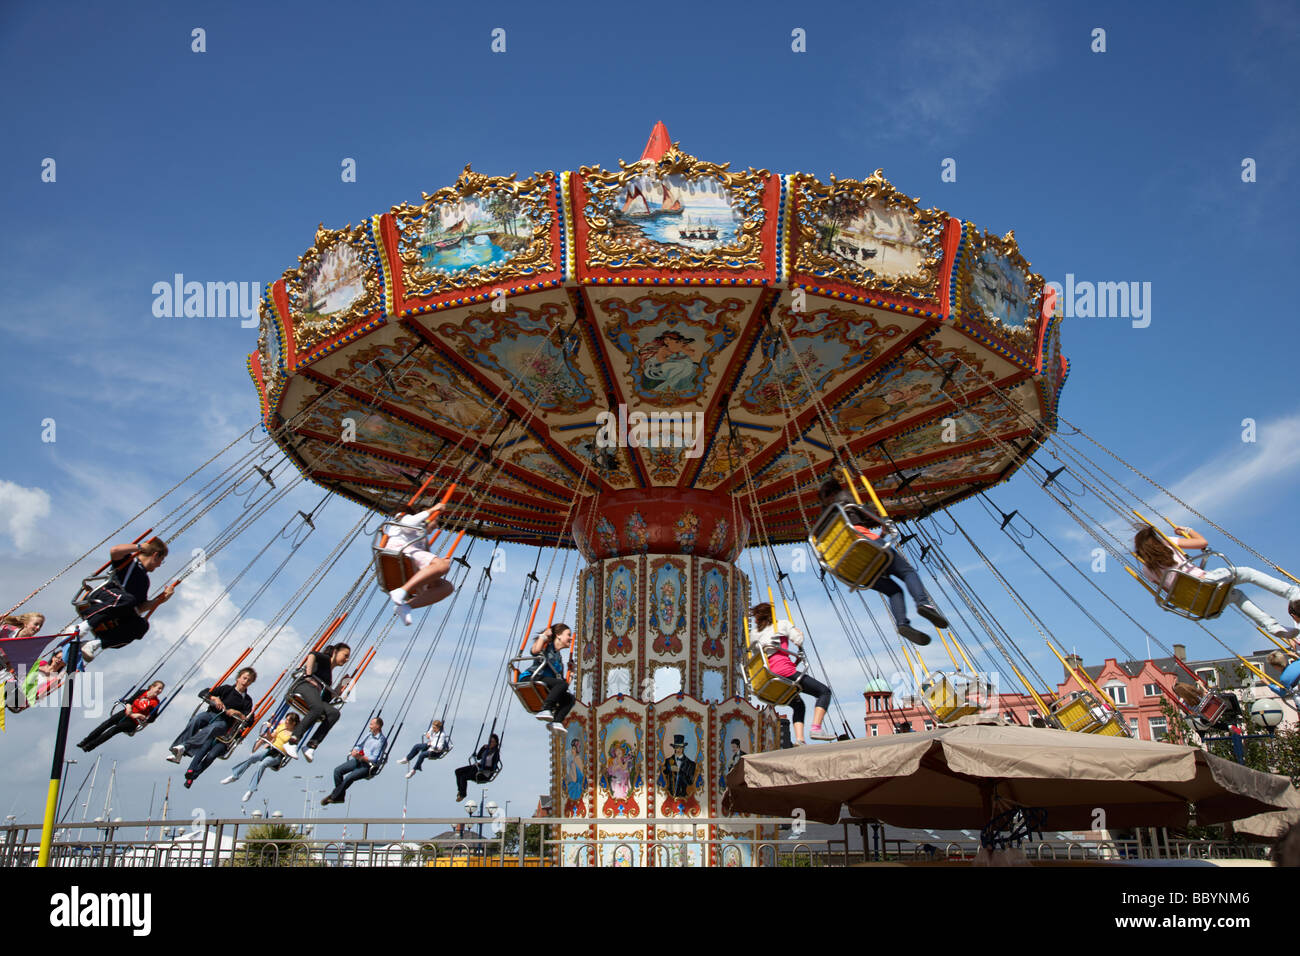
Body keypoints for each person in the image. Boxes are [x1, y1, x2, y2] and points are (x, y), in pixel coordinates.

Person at [818, 477, 948, 645]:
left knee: (893, 591)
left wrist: (882, 535)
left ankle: (902, 623)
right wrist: (884, 524)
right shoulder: (845, 505)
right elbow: (868, 514)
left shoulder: (823, 527)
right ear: (837, 492)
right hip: (865, 544)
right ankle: (923, 604)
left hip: (850, 566)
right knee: (907, 572)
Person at [1134, 525, 1300, 640]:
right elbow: (1202, 543)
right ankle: (1293, 593)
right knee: (1248, 573)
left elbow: (1167, 589)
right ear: (1155, 539)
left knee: (1236, 595)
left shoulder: (1146, 570)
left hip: (1198, 604)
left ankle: (1271, 625)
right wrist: (1186, 530)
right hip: (1208, 583)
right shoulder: (1168, 543)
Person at [78, 538, 175, 661]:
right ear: (155, 555)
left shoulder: (145, 581)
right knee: (127, 599)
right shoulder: (130, 562)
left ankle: (93, 644)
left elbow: (139, 608)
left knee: (141, 625)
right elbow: (115, 550)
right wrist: (139, 547)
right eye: (161, 560)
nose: (160, 564)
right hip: (103, 596)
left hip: (117, 609)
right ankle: (83, 627)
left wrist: (160, 600)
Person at [751, 602, 835, 743]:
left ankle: (800, 740)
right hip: (784, 671)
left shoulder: (753, 634)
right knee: (824, 692)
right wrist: (799, 633)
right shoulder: (782, 625)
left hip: (767, 676)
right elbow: (798, 640)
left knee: (798, 705)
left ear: (757, 618)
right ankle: (816, 728)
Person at [166, 667, 256, 788]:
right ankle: (178, 751)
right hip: (211, 715)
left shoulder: (247, 700)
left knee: (213, 731)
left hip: (224, 723)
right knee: (196, 719)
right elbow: (204, 693)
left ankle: (185, 748)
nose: (245, 682)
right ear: (238, 678)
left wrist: (237, 713)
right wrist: (215, 698)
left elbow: (249, 719)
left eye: (249, 680)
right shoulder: (226, 689)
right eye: (244, 678)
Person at [383, 503, 454, 625]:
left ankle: (406, 607)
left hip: (411, 559)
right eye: (435, 520)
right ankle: (403, 590)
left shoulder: (421, 538)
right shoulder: (404, 518)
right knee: (443, 566)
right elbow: (409, 523)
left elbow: (429, 562)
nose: (436, 525)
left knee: (447, 587)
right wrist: (433, 509)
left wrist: (441, 563)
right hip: (400, 551)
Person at [282, 643, 351, 761]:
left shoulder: (329, 676)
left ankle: (311, 746)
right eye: (345, 655)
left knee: (334, 713)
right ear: (335, 652)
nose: (347, 659)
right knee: (317, 707)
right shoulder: (325, 659)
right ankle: (292, 741)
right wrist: (308, 675)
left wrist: (341, 686)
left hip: (315, 696)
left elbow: (327, 699)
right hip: (304, 686)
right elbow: (312, 655)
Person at [221, 713, 300, 802]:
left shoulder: (295, 734)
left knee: (262, 764)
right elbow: (271, 738)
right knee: (252, 757)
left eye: (288, 720)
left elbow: (292, 747)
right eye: (286, 719)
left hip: (278, 755)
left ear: (293, 723)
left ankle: (250, 790)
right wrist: (269, 729)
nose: (286, 721)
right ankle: (235, 776)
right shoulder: (281, 727)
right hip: (270, 749)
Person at [77, 681, 165, 751]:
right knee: (106, 724)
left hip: (133, 722)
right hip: (126, 713)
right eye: (159, 688)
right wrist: (129, 707)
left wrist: (139, 715)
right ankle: (86, 740)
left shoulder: (155, 703)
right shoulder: (142, 692)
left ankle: (90, 746)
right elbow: (130, 701)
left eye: (161, 690)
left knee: (114, 729)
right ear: (152, 687)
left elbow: (151, 719)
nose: (160, 691)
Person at [321, 717, 387, 805]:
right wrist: (355, 751)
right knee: (337, 771)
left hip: (369, 765)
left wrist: (361, 757)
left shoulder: (381, 741)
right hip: (358, 759)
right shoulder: (368, 735)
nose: (369, 726)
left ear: (378, 726)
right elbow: (359, 745)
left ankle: (334, 796)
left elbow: (375, 758)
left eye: (372, 724)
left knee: (349, 778)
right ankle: (339, 796)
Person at [530, 623, 574, 733]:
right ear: (558, 635)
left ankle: (557, 721)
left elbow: (563, 685)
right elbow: (535, 651)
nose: (571, 638)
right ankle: (545, 708)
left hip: (546, 683)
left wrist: (571, 674)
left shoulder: (559, 659)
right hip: (534, 677)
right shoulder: (546, 646)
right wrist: (543, 635)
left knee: (570, 698)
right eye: (568, 634)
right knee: (561, 684)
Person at [454, 733, 500, 802]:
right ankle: (460, 790)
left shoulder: (496, 754)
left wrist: (482, 766)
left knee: (463, 777)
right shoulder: (486, 749)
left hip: (484, 774)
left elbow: (492, 768)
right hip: (478, 768)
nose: (491, 743)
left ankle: (463, 794)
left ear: (496, 743)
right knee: (458, 771)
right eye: (490, 741)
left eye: (492, 742)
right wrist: (483, 748)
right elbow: (478, 757)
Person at [661, 734, 697, 798]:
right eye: (677, 747)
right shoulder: (667, 761)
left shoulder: (690, 764)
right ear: (674, 748)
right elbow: (663, 777)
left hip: (684, 797)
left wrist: (679, 771)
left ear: (683, 748)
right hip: (669, 796)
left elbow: (690, 782)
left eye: (680, 747)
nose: (678, 749)